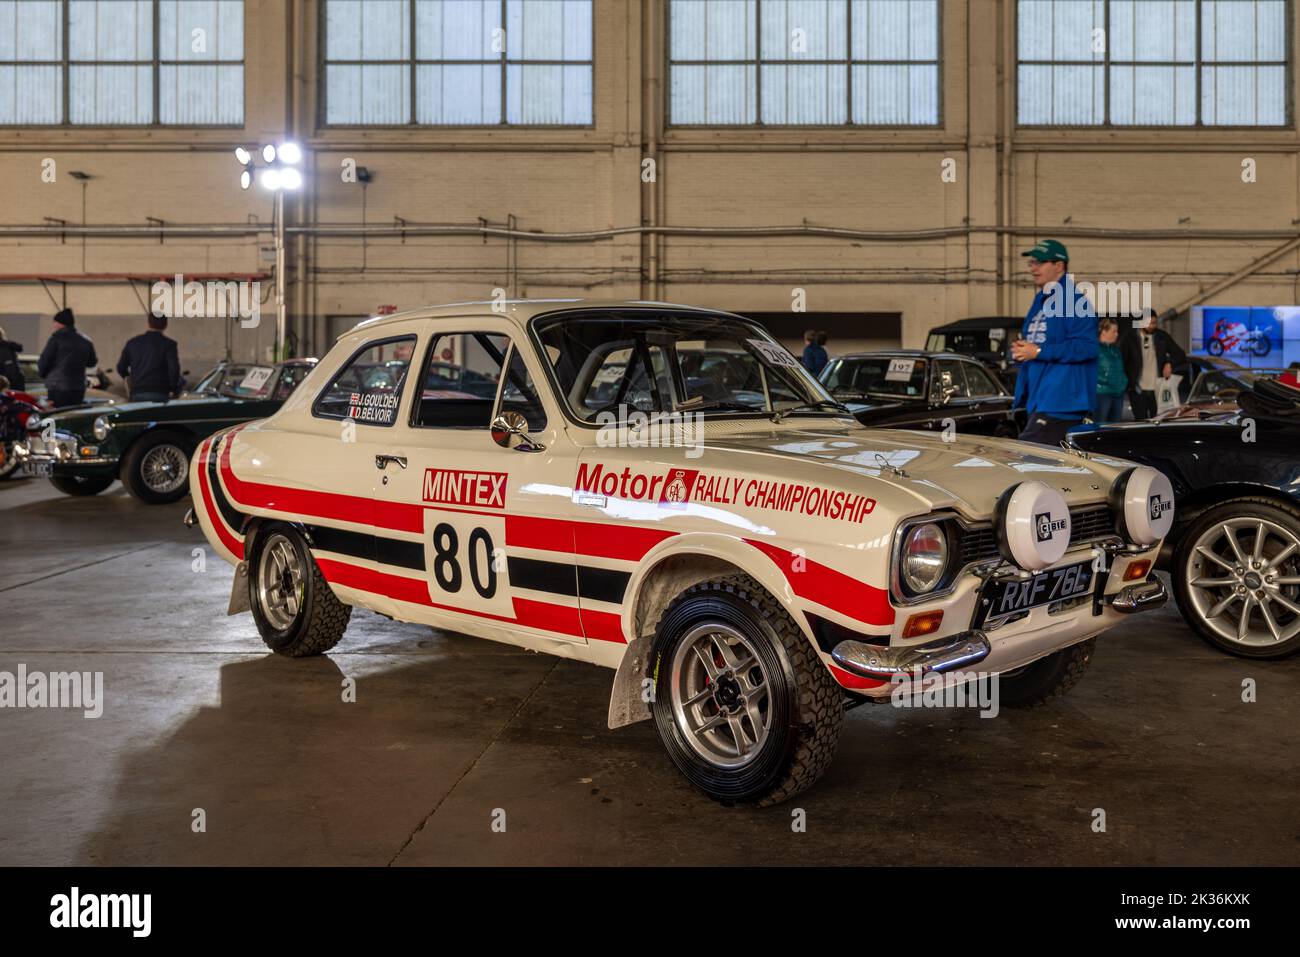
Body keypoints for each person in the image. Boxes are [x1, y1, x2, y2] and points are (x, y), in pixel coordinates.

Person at [1010, 239, 1098, 446]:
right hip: (1040, 398)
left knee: (1029, 458)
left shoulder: (1074, 301)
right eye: (1031, 263)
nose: (1033, 268)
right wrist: (1021, 351)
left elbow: (1087, 347)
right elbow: (1035, 344)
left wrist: (1038, 351)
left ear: (1059, 266)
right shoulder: (1040, 300)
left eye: (1039, 262)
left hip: (1062, 402)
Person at [1120, 308, 1186, 420]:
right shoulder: (1129, 338)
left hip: (1158, 390)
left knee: (1159, 422)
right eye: (1150, 323)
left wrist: (1170, 363)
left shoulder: (1162, 337)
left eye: (1155, 323)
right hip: (1138, 391)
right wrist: (1130, 384)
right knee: (1140, 423)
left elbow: (1180, 354)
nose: (1153, 326)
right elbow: (1122, 362)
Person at [37, 308, 97, 408]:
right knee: (73, 415)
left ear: (60, 323)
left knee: (57, 415)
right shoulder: (85, 341)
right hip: (78, 386)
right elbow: (92, 362)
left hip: (57, 386)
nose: (54, 325)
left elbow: (45, 360)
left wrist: (43, 374)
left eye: (55, 322)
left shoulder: (56, 339)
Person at [117, 315, 183, 402]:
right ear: (166, 325)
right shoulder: (169, 344)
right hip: (160, 393)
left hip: (138, 392)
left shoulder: (133, 343)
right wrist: (173, 388)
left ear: (148, 323)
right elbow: (174, 369)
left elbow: (121, 367)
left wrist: (131, 379)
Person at [1093, 317, 1128, 423]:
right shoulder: (1094, 348)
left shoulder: (1115, 350)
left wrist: (1123, 382)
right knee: (1100, 426)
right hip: (1102, 394)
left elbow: (1121, 369)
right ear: (1104, 331)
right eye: (1114, 331)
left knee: (1114, 428)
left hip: (1118, 393)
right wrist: (1101, 383)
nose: (1117, 334)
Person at [0, 326, 24, 391]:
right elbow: (20, 348)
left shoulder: (8, 344)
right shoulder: (9, 344)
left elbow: (20, 348)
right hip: (14, 379)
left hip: (9, 380)